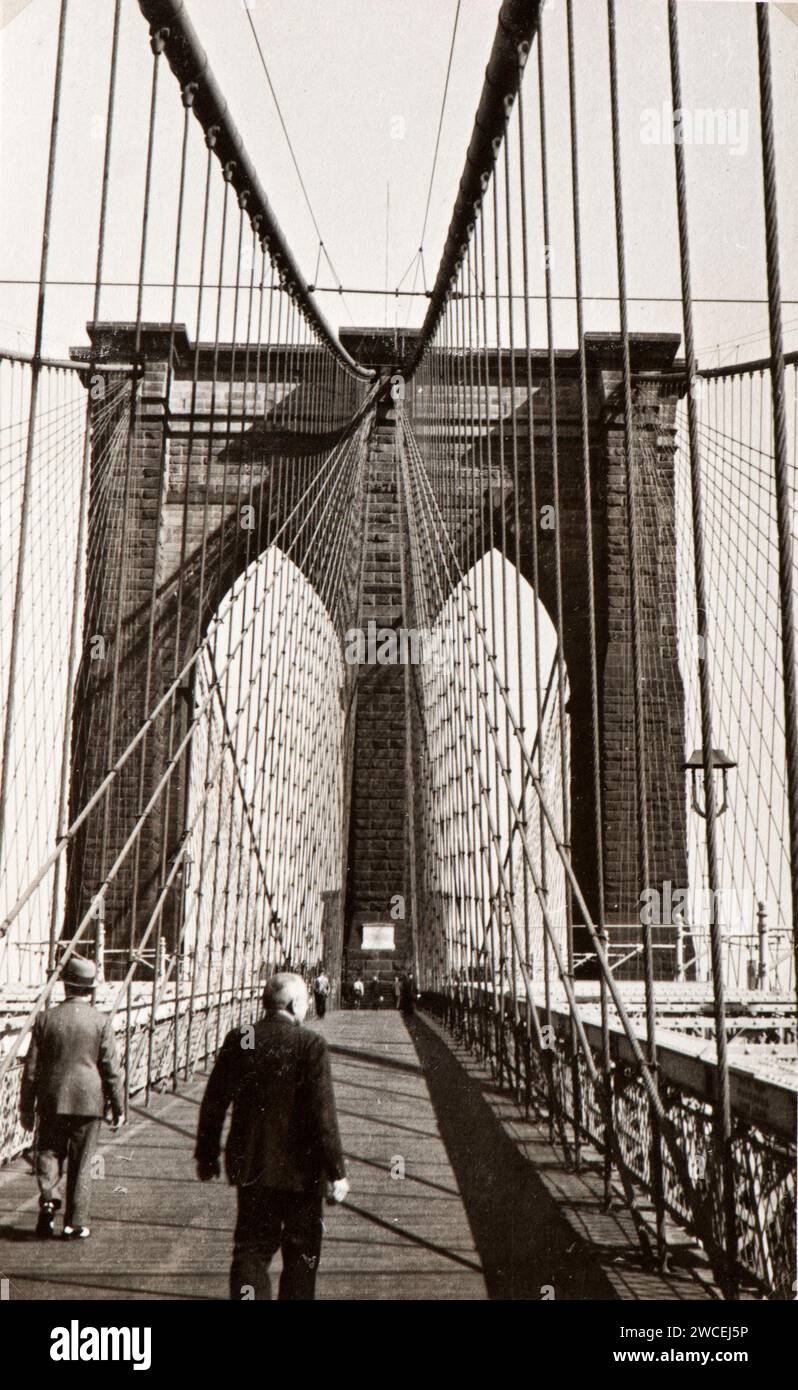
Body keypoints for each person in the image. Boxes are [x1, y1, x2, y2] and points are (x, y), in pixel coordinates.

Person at [195, 972, 349, 1300]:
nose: (307, 1005)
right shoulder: (311, 1045)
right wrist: (337, 1171)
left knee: (251, 1250)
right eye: (306, 999)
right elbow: (324, 1115)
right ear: (293, 1004)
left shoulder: (241, 1037)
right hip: (302, 1173)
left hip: (252, 1166)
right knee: (302, 1256)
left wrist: (206, 1154)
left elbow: (214, 1102)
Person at [20, 954, 125, 1240]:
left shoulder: (45, 1020)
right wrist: (119, 1105)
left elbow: (31, 1070)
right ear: (90, 989)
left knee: (49, 1151)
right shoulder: (101, 1022)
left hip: (52, 1098)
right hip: (89, 1102)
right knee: (82, 1161)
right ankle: (74, 1223)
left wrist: (26, 1107)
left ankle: (48, 1198)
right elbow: (111, 1069)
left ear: (65, 986)